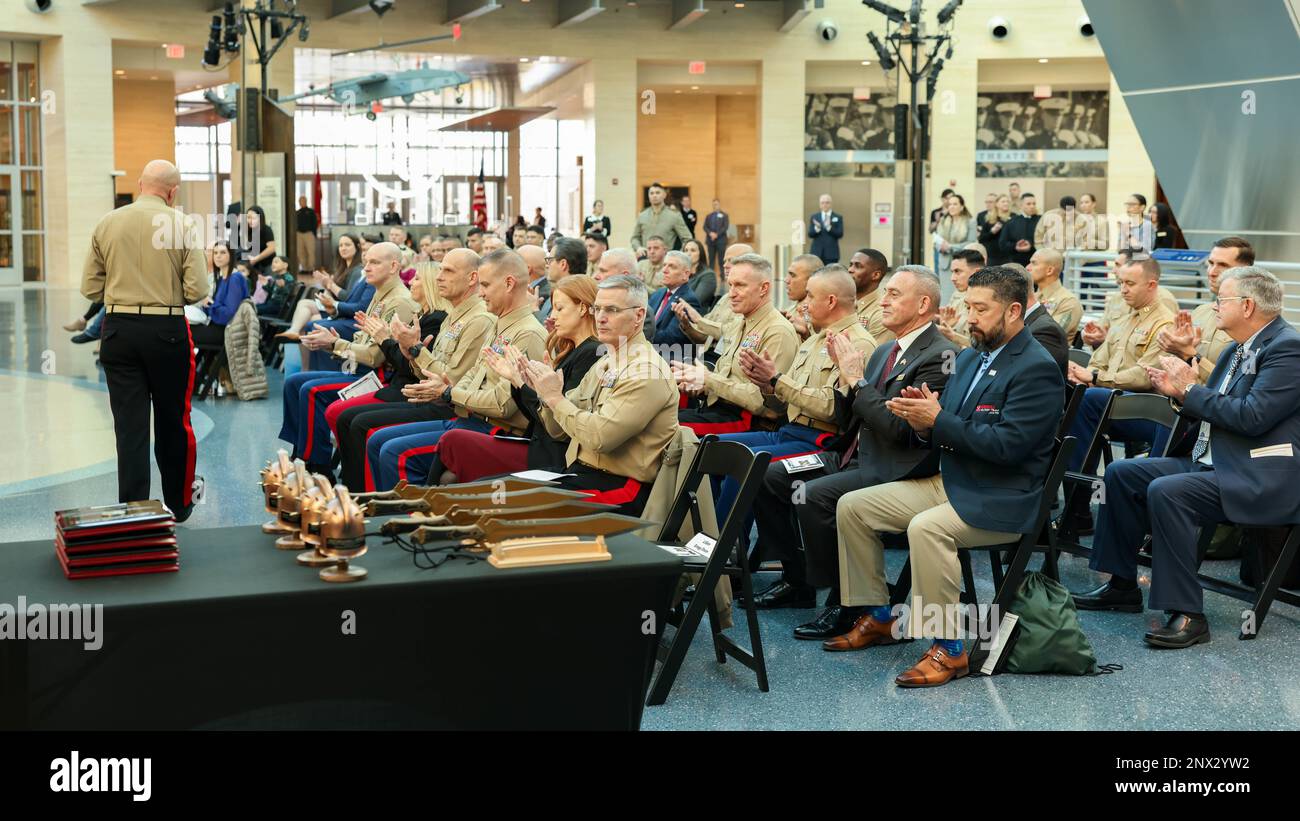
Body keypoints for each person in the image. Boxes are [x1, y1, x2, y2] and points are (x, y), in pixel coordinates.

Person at [832, 266, 1063, 687]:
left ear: (1014, 311)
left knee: (927, 529)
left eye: (980, 309)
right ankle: (880, 615)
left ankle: (949, 648)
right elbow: (945, 422)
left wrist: (936, 421)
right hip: (953, 479)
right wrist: (921, 420)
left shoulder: (1037, 368)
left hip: (1002, 495)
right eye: (968, 306)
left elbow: (1008, 447)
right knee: (854, 507)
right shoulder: (973, 356)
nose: (969, 317)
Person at [1073, 267, 1300, 649]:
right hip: (1218, 462)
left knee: (1168, 490)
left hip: (1259, 474)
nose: (1214, 307)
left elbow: (1253, 416)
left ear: (1247, 305)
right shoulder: (1235, 349)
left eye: (1221, 301)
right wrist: (1180, 395)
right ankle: (1122, 584)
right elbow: (1214, 407)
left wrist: (1189, 389)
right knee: (1122, 472)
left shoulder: (1286, 348)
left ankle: (1189, 615)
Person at [750, 266, 957, 623]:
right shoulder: (884, 351)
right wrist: (784, 385)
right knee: (769, 477)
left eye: (894, 294)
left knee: (816, 495)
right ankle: (797, 580)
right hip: (850, 453)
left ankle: (845, 600)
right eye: (886, 292)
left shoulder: (940, 356)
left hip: (894, 465)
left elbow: (899, 431)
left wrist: (857, 381)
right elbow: (850, 416)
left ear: (924, 304)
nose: (882, 301)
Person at [711, 266, 878, 557]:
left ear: (830, 301)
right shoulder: (815, 340)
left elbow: (832, 408)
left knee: (743, 464)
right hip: (790, 431)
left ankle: (725, 560)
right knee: (714, 450)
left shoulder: (856, 343)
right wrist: (766, 385)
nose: (803, 305)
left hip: (822, 441)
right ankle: (716, 545)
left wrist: (778, 381)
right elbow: (785, 405)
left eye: (810, 297)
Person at [81, 159, 209, 521]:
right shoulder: (181, 224)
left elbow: (89, 287)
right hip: (166, 331)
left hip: (118, 331)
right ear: (173, 192)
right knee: (174, 420)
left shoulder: (108, 222)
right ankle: (180, 502)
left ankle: (134, 507)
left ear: (140, 184)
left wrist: (123, 289)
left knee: (129, 425)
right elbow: (198, 288)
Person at [365, 249, 548, 490]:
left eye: (485, 285)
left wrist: (448, 392)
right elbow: (472, 375)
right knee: (378, 440)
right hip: (468, 418)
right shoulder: (501, 323)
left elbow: (502, 404)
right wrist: (442, 385)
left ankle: (414, 518)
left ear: (509, 284)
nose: (481, 293)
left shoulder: (527, 333)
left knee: (395, 452)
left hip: (496, 430)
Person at [334, 249, 494, 491]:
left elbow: (448, 380)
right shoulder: (454, 316)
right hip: (432, 397)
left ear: (472, 278)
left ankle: (394, 509)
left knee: (369, 431)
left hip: (456, 409)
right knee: (351, 419)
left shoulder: (478, 319)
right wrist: (412, 352)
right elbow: (428, 374)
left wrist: (410, 349)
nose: (439, 276)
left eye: (447, 270)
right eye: (439, 270)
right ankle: (363, 497)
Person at [528, 274, 680, 516]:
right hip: (584, 474)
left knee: (514, 505)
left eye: (612, 309)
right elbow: (557, 430)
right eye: (597, 309)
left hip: (622, 487)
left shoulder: (646, 370)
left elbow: (600, 438)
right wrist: (545, 393)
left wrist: (555, 398)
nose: (600, 317)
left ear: (639, 316)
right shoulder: (608, 360)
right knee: (498, 491)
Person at [438, 275, 603, 482]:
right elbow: (540, 414)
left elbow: (558, 426)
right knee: (452, 458)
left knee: (454, 442)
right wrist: (522, 383)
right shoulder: (572, 350)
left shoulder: (591, 352)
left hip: (552, 456)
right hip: (537, 444)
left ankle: (420, 504)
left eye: (560, 309)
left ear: (582, 308)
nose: (553, 315)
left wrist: (521, 383)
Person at [280, 242, 420, 473]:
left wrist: (336, 344)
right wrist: (332, 344)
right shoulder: (381, 296)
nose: (367, 268)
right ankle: (300, 455)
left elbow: (375, 357)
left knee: (311, 391)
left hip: (379, 378)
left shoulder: (399, 301)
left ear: (394, 265)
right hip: (362, 369)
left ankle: (317, 467)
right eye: (366, 262)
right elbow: (362, 341)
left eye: (374, 262)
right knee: (294, 383)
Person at [1064, 256, 1177, 475]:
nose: (1123, 290)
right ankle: (1070, 494)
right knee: (1068, 394)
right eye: (1121, 283)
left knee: (1085, 401)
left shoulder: (1166, 323)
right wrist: (1083, 376)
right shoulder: (1125, 320)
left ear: (1151, 285)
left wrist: (1095, 378)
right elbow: (1098, 360)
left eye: (1130, 284)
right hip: (1112, 400)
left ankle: (1076, 497)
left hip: (1146, 407)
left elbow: (1146, 376)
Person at [672, 254, 799, 435]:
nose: (731, 293)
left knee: (661, 427)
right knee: (656, 414)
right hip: (718, 409)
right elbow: (727, 378)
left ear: (763, 288)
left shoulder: (777, 331)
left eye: (740, 285)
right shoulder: (740, 323)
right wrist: (700, 385)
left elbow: (764, 404)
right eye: (730, 285)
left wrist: (708, 379)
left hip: (748, 421)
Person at [1157, 237, 1253, 385]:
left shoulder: (1252, 320)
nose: (1212, 272)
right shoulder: (1200, 311)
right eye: (1210, 263)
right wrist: (1175, 349)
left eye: (1223, 265)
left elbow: (1235, 384)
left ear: (1245, 272)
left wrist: (1188, 354)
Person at [276, 233, 364, 341]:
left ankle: (294, 331)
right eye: (341, 245)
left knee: (308, 316)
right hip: (333, 307)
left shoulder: (357, 270)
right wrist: (326, 284)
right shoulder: (342, 268)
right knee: (304, 308)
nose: (343, 248)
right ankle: (294, 332)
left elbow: (349, 297)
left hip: (342, 311)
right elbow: (333, 293)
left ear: (357, 247)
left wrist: (331, 284)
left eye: (347, 245)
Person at [189, 240, 249, 347]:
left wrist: (210, 303)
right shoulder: (222, 278)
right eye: (215, 253)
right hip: (216, 325)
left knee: (178, 333)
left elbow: (227, 314)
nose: (218, 256)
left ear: (231, 255)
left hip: (226, 331)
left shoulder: (235, 278)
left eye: (223, 253)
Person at [645, 250, 703, 356]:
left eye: (672, 266)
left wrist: (640, 336)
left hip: (667, 358)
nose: (664, 270)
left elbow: (671, 338)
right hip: (648, 351)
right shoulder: (658, 294)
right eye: (664, 265)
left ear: (686, 274)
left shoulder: (688, 300)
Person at [1026, 247, 1082, 340]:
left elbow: (1049, 334)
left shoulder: (1068, 301)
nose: (1027, 267)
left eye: (1034, 263)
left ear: (1049, 270)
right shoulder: (1033, 297)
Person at [935, 247, 983, 346]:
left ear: (977, 272)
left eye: (958, 271)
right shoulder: (957, 294)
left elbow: (986, 349)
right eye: (952, 272)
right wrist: (946, 324)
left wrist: (954, 336)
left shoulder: (989, 302)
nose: (952, 278)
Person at [630, 182, 691, 258]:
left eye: (657, 193)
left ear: (664, 195)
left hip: (666, 260)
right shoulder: (642, 215)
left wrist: (678, 255)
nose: (654, 195)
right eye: (651, 193)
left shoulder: (674, 215)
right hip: (646, 258)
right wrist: (638, 248)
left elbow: (687, 238)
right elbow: (635, 237)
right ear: (648, 196)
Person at [537, 236, 586, 326]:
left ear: (563, 264)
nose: (547, 265)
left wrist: (534, 310)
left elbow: (551, 333)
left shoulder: (576, 296)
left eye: (550, 260)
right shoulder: (557, 291)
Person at [848, 248, 892, 343]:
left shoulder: (882, 312)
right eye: (850, 265)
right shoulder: (844, 302)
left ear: (876, 275)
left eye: (858, 266)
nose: (850, 270)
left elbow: (875, 354)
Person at [933, 194, 977, 279]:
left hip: (962, 265)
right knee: (944, 291)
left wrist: (950, 247)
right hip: (944, 265)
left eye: (955, 204)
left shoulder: (970, 222)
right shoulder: (943, 221)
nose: (951, 207)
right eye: (950, 204)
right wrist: (940, 247)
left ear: (962, 207)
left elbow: (971, 244)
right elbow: (937, 240)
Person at [781, 253, 822, 340]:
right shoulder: (789, 311)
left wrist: (807, 334)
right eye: (788, 274)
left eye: (793, 275)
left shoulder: (821, 314)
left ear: (811, 279)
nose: (786, 280)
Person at [998, 192, 1039, 266]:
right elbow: (1002, 244)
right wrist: (1015, 246)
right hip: (1016, 262)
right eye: (1028, 204)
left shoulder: (1040, 220)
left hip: (1037, 261)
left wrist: (1031, 244)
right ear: (1021, 205)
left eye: (1034, 203)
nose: (1032, 206)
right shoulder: (1011, 222)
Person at [978, 194, 1013, 266]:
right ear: (997, 204)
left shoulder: (1014, 217)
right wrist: (992, 232)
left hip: (1008, 256)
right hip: (992, 257)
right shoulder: (990, 218)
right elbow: (981, 239)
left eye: (1007, 201)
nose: (1006, 203)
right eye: (1003, 201)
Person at [241, 205, 277, 276]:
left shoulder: (266, 230)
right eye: (248, 217)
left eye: (253, 218)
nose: (250, 220)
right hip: (256, 266)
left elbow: (272, 248)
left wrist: (256, 258)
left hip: (267, 265)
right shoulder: (249, 230)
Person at [809, 194, 844, 265]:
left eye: (827, 202)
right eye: (822, 203)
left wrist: (829, 227)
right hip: (816, 253)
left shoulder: (838, 217)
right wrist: (817, 229)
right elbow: (810, 234)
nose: (825, 205)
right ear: (819, 204)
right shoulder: (814, 217)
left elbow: (840, 234)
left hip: (832, 253)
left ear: (831, 204)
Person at [682, 238, 716, 309]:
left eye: (693, 250)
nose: (688, 254)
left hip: (696, 315)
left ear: (700, 253)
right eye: (686, 250)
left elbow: (695, 301)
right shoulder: (681, 273)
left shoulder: (708, 275)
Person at [702, 198, 729, 274]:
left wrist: (716, 235)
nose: (715, 206)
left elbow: (725, 227)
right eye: (714, 204)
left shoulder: (724, 215)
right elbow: (705, 227)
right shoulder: (709, 216)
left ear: (719, 204)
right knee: (711, 260)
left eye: (716, 204)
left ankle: (723, 277)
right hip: (710, 241)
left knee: (721, 260)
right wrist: (711, 233)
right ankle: (711, 275)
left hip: (721, 240)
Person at [295, 195, 317, 274]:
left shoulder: (311, 211)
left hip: (309, 233)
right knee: (300, 252)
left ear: (306, 201)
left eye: (303, 200)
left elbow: (315, 223)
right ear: (299, 202)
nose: (302, 202)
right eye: (300, 201)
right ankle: (304, 268)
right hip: (299, 234)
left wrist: (314, 233)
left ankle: (310, 269)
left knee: (310, 252)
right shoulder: (297, 212)